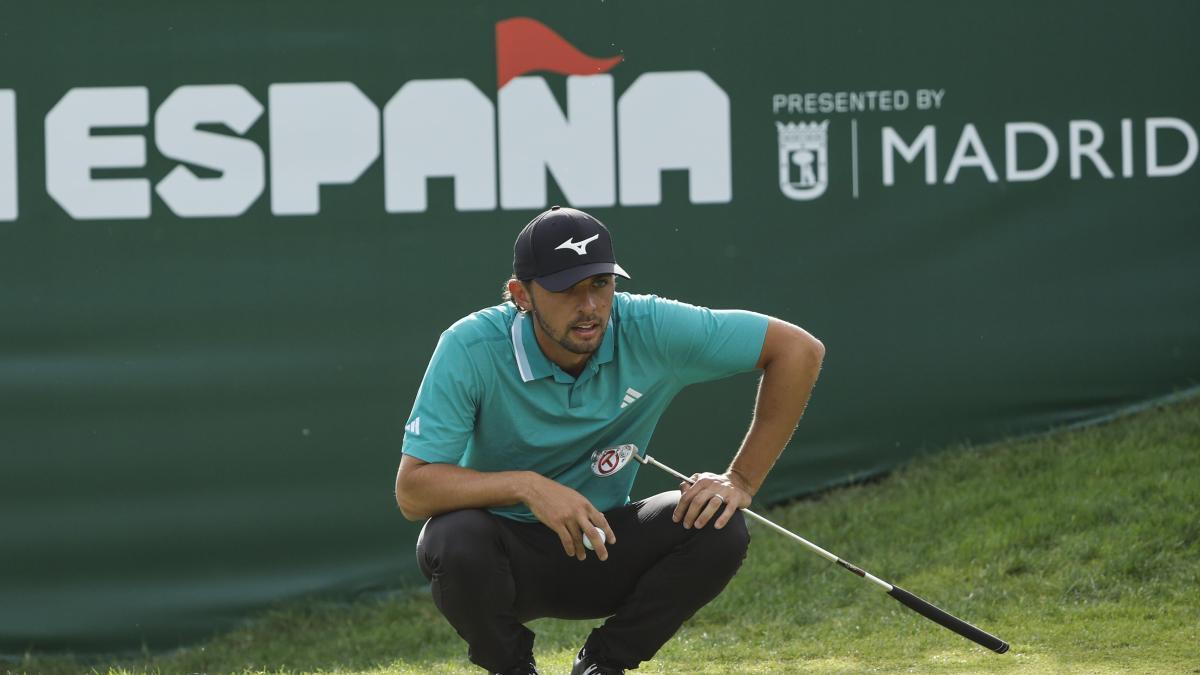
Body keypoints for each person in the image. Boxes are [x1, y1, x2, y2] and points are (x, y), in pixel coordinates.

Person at [394, 206, 824, 675]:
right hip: (503, 562)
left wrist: (740, 479)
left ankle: (603, 665)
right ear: (521, 295)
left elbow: (798, 350)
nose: (590, 307)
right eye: (566, 289)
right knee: (452, 538)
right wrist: (528, 486)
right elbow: (413, 490)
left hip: (602, 544)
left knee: (719, 524)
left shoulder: (648, 326)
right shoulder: (469, 346)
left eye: (600, 284)